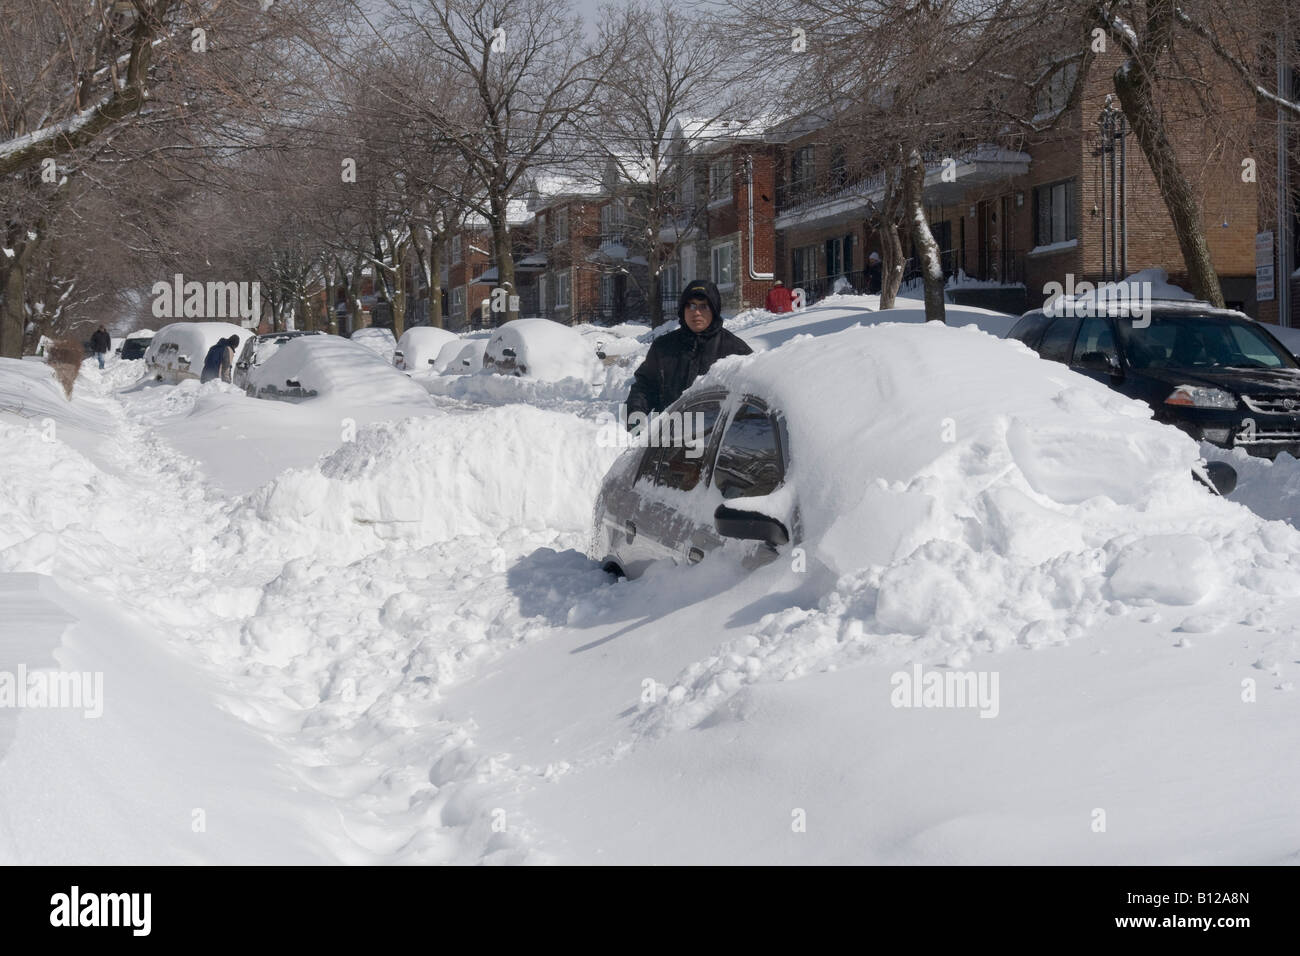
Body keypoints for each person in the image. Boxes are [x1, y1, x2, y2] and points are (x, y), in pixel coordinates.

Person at [626, 279, 752, 426]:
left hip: (714, 441)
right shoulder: (663, 347)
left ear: (714, 310)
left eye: (704, 306)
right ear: (682, 310)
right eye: (691, 306)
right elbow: (644, 387)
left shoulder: (735, 350)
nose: (696, 312)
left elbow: (752, 399)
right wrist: (634, 422)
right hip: (670, 437)